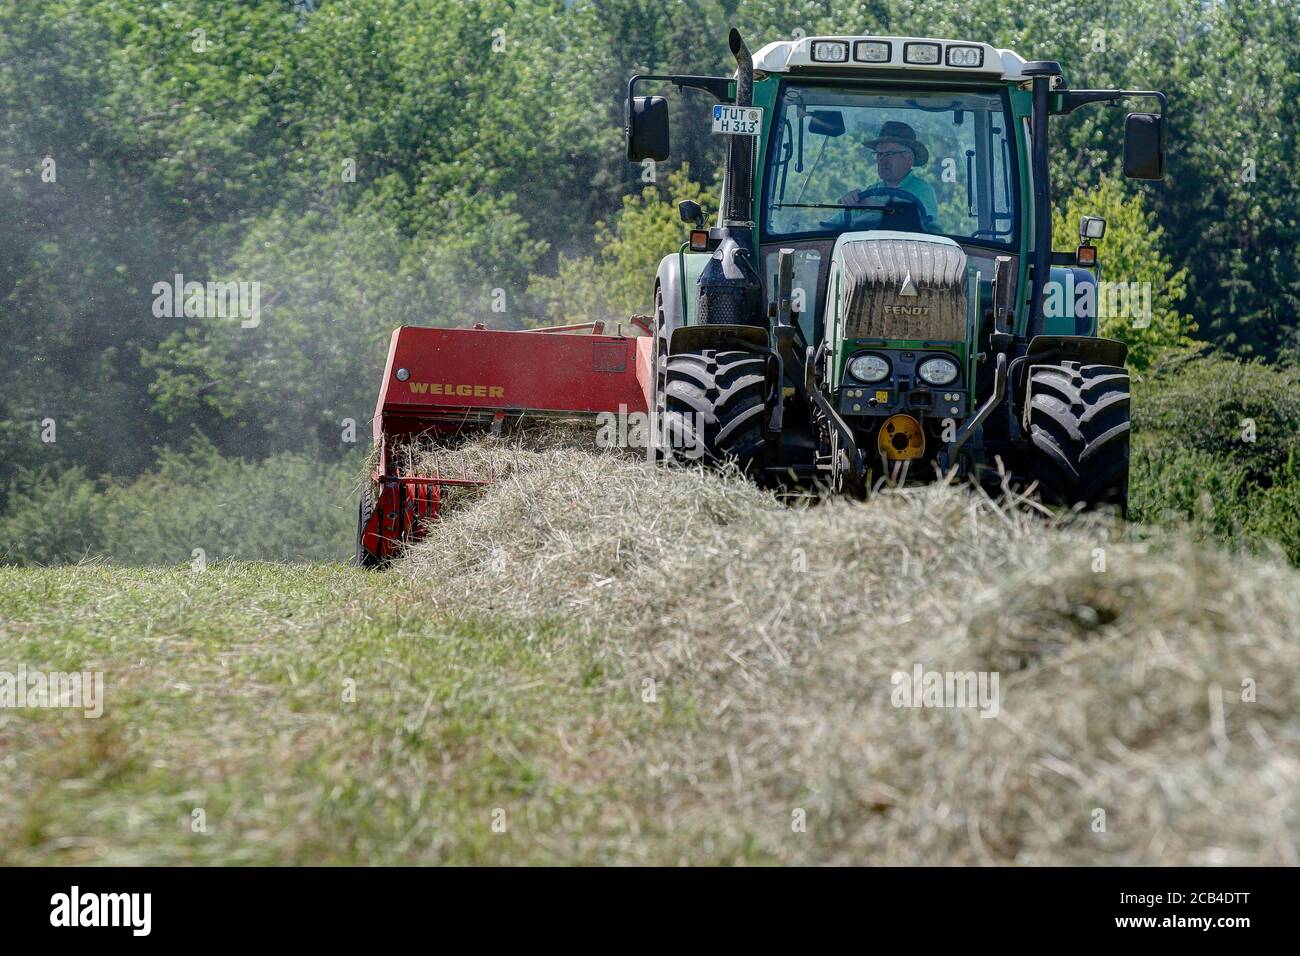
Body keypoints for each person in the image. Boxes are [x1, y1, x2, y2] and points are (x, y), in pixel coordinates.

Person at [841, 120, 938, 227]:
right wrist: (850, 201)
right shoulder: (871, 191)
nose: (882, 160)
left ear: (908, 159)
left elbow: (922, 222)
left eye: (889, 154)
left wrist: (874, 206)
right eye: (879, 154)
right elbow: (831, 224)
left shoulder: (922, 190)